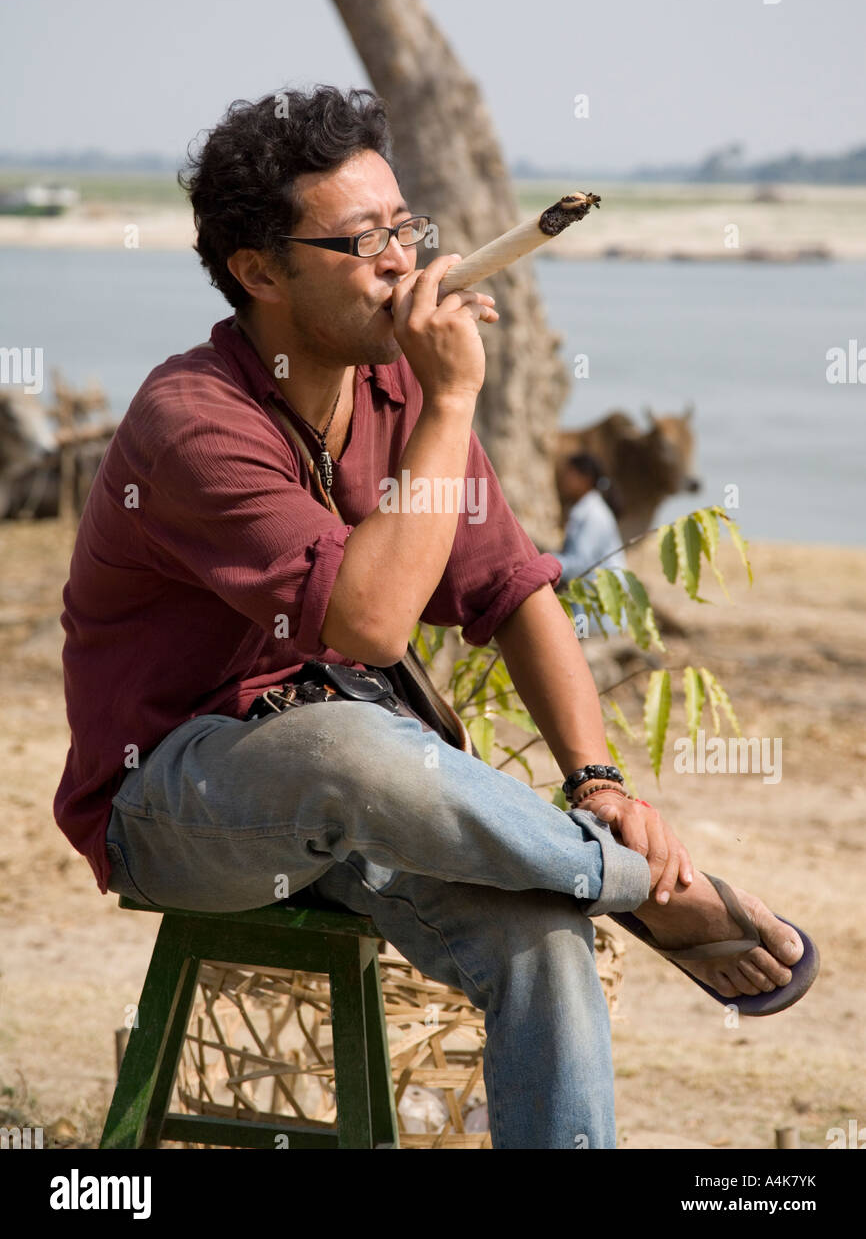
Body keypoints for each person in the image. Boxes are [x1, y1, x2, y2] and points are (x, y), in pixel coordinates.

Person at [53, 85, 805, 1150]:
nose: (403, 261)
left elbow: (510, 590)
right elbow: (365, 623)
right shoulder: (192, 421)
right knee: (349, 744)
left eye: (406, 227)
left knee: (539, 938)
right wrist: (455, 401)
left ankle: (586, 879)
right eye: (364, 242)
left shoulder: (393, 388)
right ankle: (633, 887)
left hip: (365, 787)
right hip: (178, 801)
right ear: (258, 272)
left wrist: (594, 779)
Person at [553, 452, 627, 636]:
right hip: (588, 601)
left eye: (568, 474)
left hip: (599, 604)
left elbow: (579, 564)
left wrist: (544, 562)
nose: (563, 480)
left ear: (585, 479)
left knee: (584, 648)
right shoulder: (584, 510)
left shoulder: (593, 515)